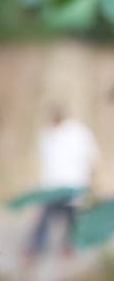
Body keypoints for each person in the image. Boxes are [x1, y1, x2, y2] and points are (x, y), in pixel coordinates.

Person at [26, 106, 100, 258]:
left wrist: (92, 180)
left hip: (74, 183)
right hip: (53, 185)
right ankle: (38, 245)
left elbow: (92, 157)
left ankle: (69, 245)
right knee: (47, 216)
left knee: (71, 216)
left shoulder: (78, 132)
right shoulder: (47, 134)